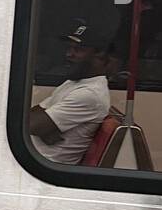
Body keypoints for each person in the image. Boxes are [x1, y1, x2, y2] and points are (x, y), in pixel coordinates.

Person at [29, 22, 114, 165]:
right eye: (69, 48)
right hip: (35, 156)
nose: (69, 54)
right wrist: (44, 129)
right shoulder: (75, 82)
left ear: (99, 54)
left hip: (45, 165)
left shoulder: (90, 94)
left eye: (78, 49)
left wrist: (41, 127)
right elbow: (34, 114)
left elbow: (31, 124)